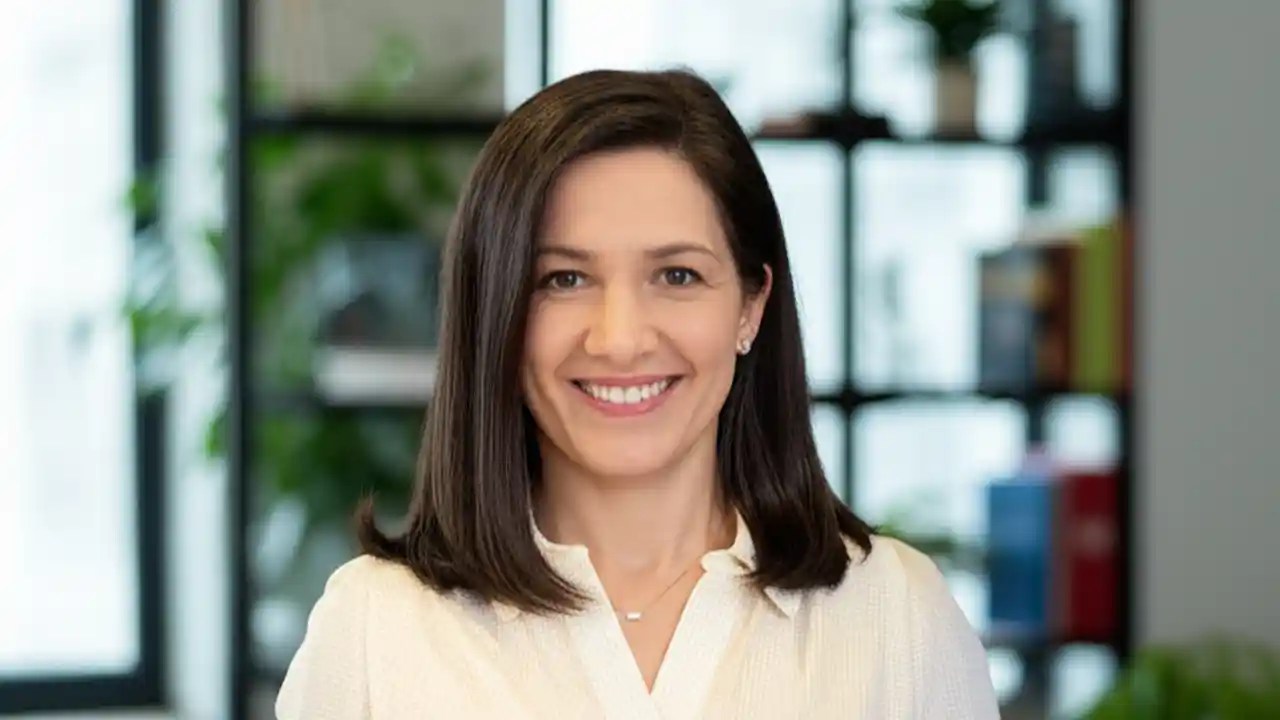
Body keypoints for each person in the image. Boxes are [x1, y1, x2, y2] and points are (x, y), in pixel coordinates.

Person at [275, 68, 999, 719]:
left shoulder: (897, 616)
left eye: (677, 275)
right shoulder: (375, 628)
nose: (620, 339)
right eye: (563, 279)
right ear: (496, 312)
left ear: (751, 306)